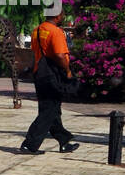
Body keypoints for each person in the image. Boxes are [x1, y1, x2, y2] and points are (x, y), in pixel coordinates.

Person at [19, 11, 80, 155]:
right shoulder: (56, 32)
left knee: (53, 108)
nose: (63, 17)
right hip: (52, 74)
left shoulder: (37, 31)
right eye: (62, 15)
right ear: (58, 16)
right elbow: (59, 55)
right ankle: (30, 144)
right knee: (49, 110)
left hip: (39, 73)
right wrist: (68, 70)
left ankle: (63, 141)